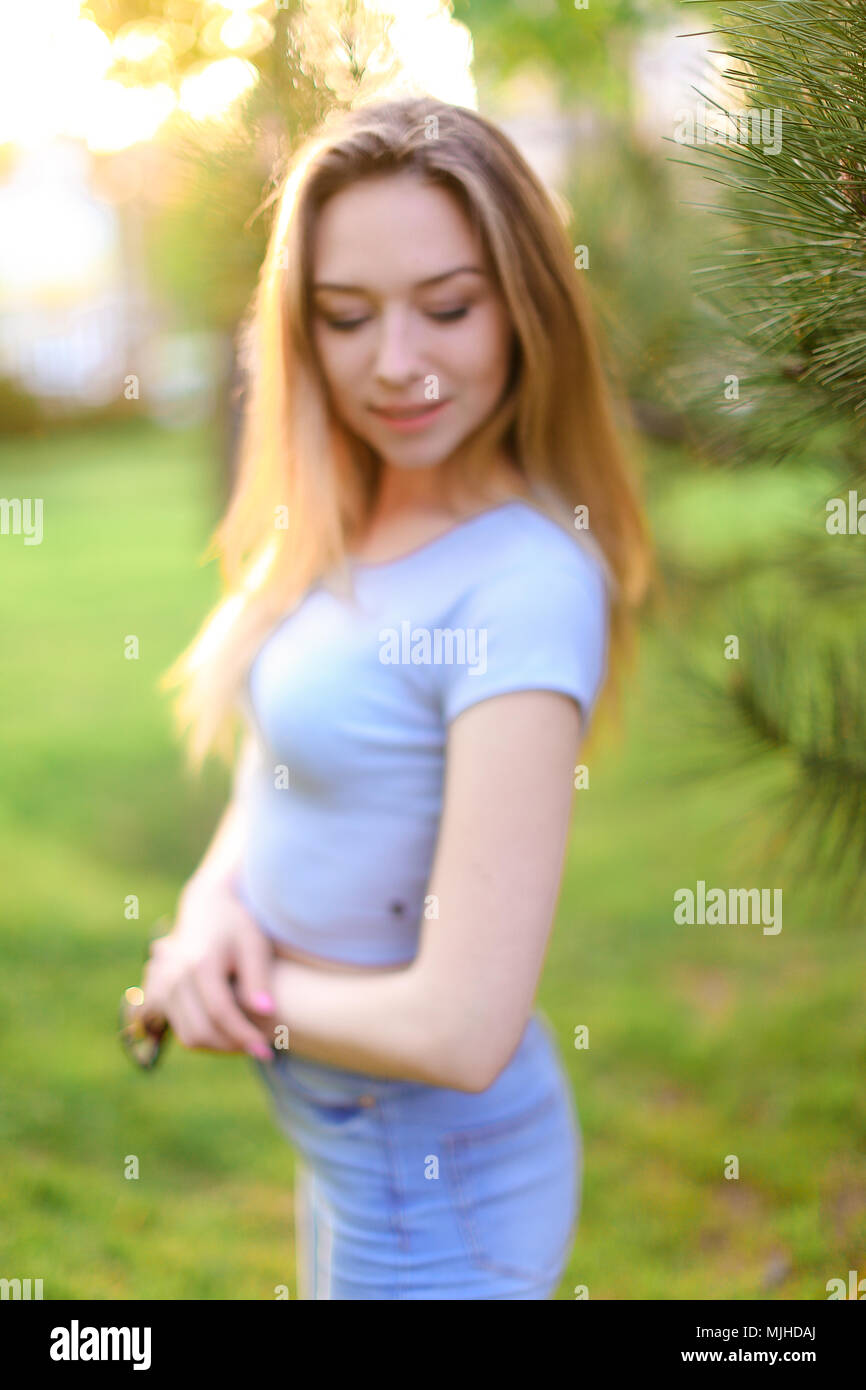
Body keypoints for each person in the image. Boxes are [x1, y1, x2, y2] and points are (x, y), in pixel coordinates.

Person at [136, 93, 652, 1300]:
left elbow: (462, 1027)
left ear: (525, 304)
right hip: (349, 1151)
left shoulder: (521, 580)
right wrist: (211, 913)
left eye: (449, 307)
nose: (397, 364)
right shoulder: (341, 515)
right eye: (345, 316)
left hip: (441, 1188)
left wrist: (222, 1000)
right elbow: (289, 770)